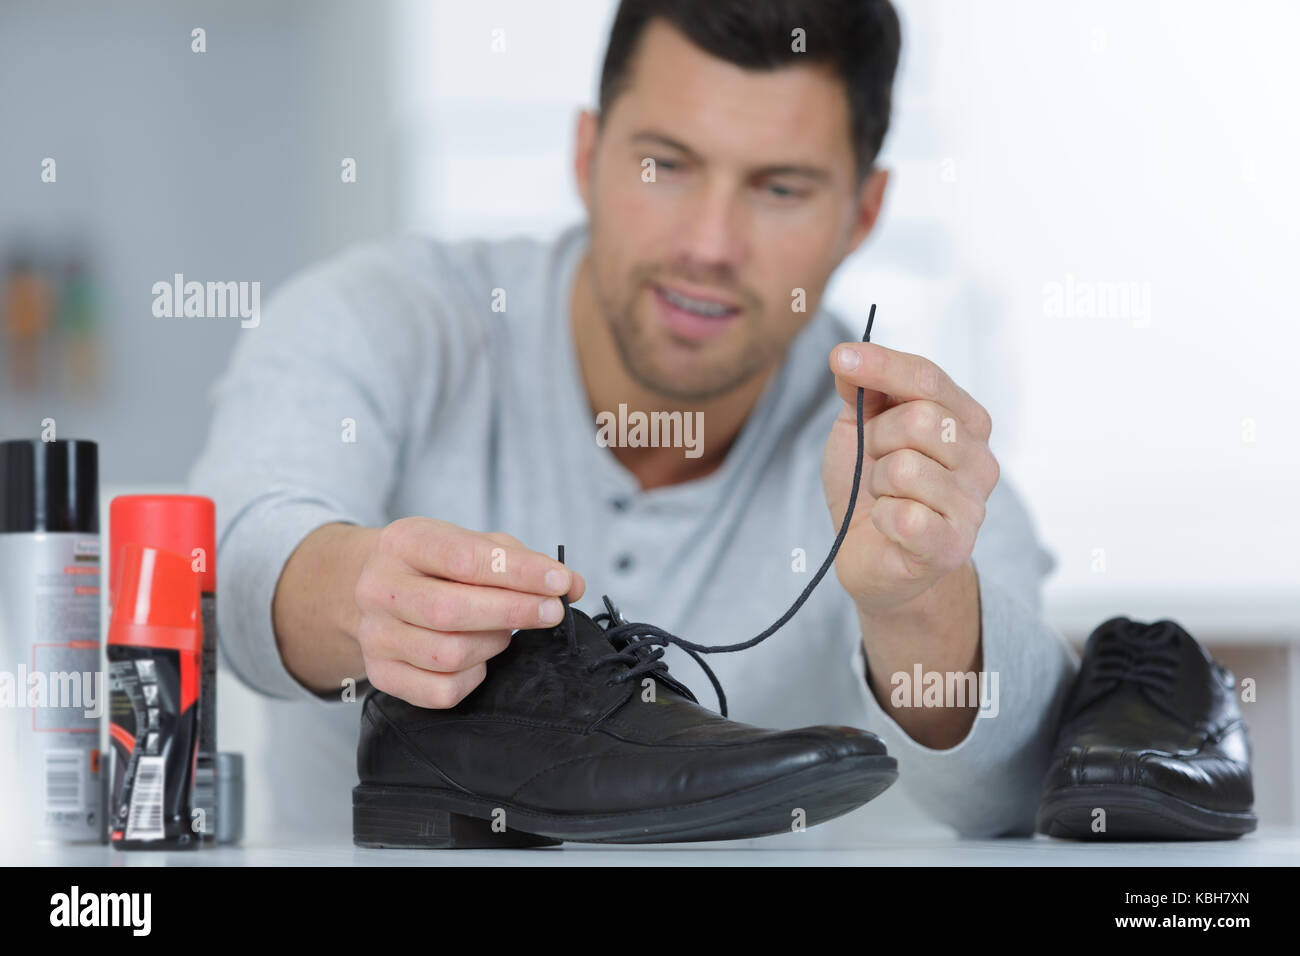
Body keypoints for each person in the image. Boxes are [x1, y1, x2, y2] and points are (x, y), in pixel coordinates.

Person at [189, 0, 1078, 841]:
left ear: (864, 213)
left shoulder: (892, 449)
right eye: (667, 165)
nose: (709, 243)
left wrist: (917, 604)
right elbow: (224, 558)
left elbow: (1019, 787)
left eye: (780, 188)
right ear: (587, 154)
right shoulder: (385, 319)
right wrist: (365, 597)